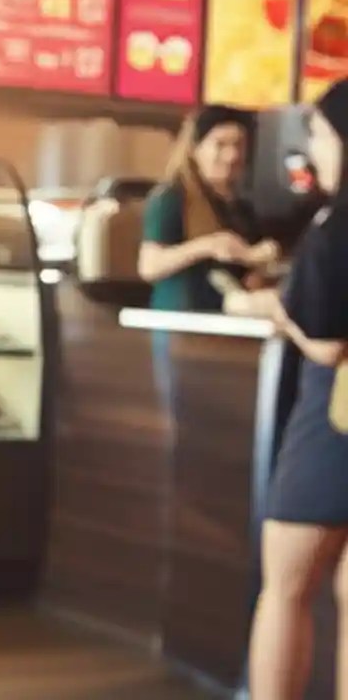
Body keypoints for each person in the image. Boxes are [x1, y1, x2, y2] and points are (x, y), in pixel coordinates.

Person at [248, 79, 348, 700]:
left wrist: (279, 311)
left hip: (332, 429)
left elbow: (329, 343)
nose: (313, 147)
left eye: (319, 132)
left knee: (286, 588)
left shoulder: (337, 227)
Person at [138, 105, 280, 312]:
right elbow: (150, 267)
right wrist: (208, 246)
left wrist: (259, 265)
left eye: (238, 145)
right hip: (180, 321)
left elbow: (246, 277)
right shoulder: (171, 198)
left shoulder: (241, 208)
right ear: (196, 149)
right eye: (220, 145)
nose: (231, 155)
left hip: (227, 322)